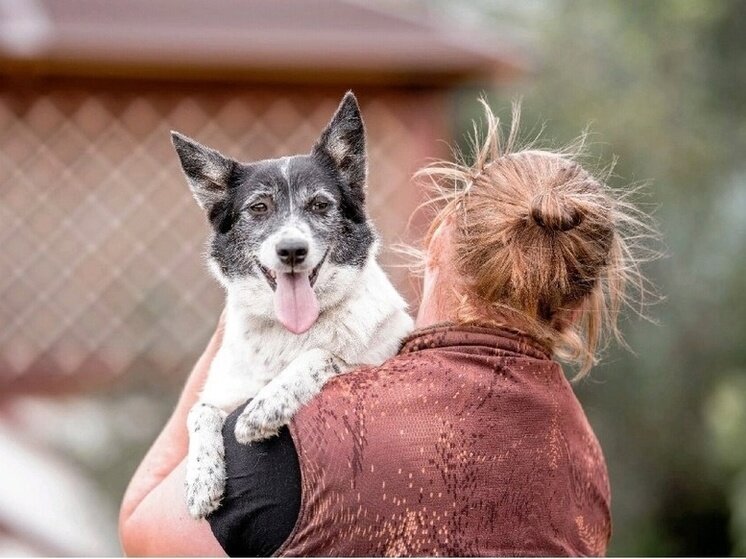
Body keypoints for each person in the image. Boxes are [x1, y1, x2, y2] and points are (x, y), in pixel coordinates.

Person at [120, 102, 652, 556]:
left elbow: (145, 529)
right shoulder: (585, 468)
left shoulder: (316, 429)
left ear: (437, 244)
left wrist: (232, 325)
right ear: (579, 306)